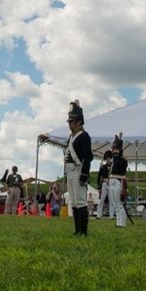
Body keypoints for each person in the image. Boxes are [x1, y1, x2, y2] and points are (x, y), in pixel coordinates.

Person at [48, 101, 91, 235]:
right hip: (70, 172)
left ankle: (83, 231)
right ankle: (77, 229)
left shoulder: (84, 136)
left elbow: (87, 157)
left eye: (72, 121)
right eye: (69, 121)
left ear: (79, 122)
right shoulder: (71, 137)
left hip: (78, 171)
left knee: (81, 201)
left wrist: (84, 174)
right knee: (73, 201)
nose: (69, 124)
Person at [107, 134, 129, 228]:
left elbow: (118, 164)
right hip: (112, 180)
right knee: (115, 204)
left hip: (118, 181)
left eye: (114, 148)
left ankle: (122, 224)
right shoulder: (114, 158)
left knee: (119, 204)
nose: (112, 150)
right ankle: (118, 223)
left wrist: (116, 154)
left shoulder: (122, 159)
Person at [95, 150, 112, 219]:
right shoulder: (102, 167)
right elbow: (99, 177)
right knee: (101, 199)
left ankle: (111, 215)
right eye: (107, 158)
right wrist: (99, 187)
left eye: (109, 158)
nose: (108, 160)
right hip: (104, 183)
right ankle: (98, 215)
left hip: (111, 183)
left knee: (111, 199)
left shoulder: (113, 166)